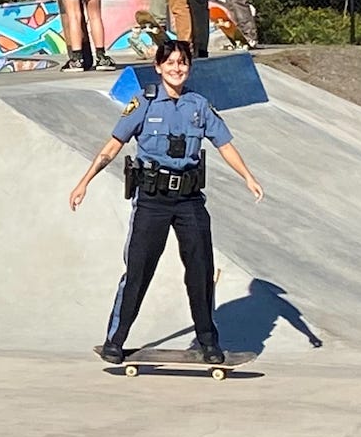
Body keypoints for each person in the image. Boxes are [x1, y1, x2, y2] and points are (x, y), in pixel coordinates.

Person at [68, 36, 264, 366]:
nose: (177, 68)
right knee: (139, 268)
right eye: (170, 62)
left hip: (189, 200)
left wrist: (248, 176)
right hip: (152, 200)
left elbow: (224, 143)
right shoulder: (143, 103)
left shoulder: (199, 105)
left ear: (189, 67)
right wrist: (85, 181)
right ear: (158, 67)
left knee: (200, 270)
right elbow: (113, 145)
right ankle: (115, 339)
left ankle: (208, 341)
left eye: (182, 62)